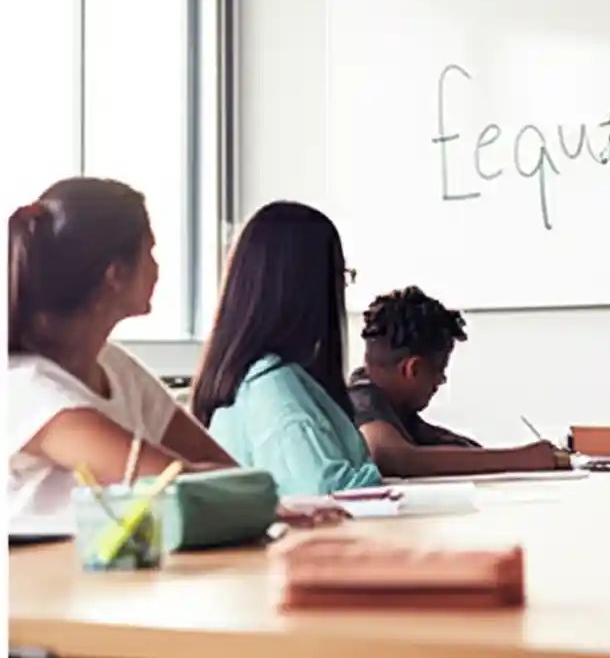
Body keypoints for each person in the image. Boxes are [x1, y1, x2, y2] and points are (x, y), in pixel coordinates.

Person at [8, 178, 235, 533]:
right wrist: (203, 481)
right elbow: (183, 492)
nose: (158, 269)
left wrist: (204, 480)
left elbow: (234, 477)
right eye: (151, 252)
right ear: (115, 274)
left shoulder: (114, 366)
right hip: (44, 585)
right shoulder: (27, 387)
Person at [192, 201, 382, 496]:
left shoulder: (268, 378)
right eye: (339, 276)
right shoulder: (273, 386)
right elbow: (329, 494)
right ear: (310, 286)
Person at [348, 286, 567, 477]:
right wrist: (521, 459)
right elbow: (389, 456)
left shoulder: (395, 410)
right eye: (438, 370)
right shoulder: (361, 397)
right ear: (412, 369)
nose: (441, 380)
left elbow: (438, 444)